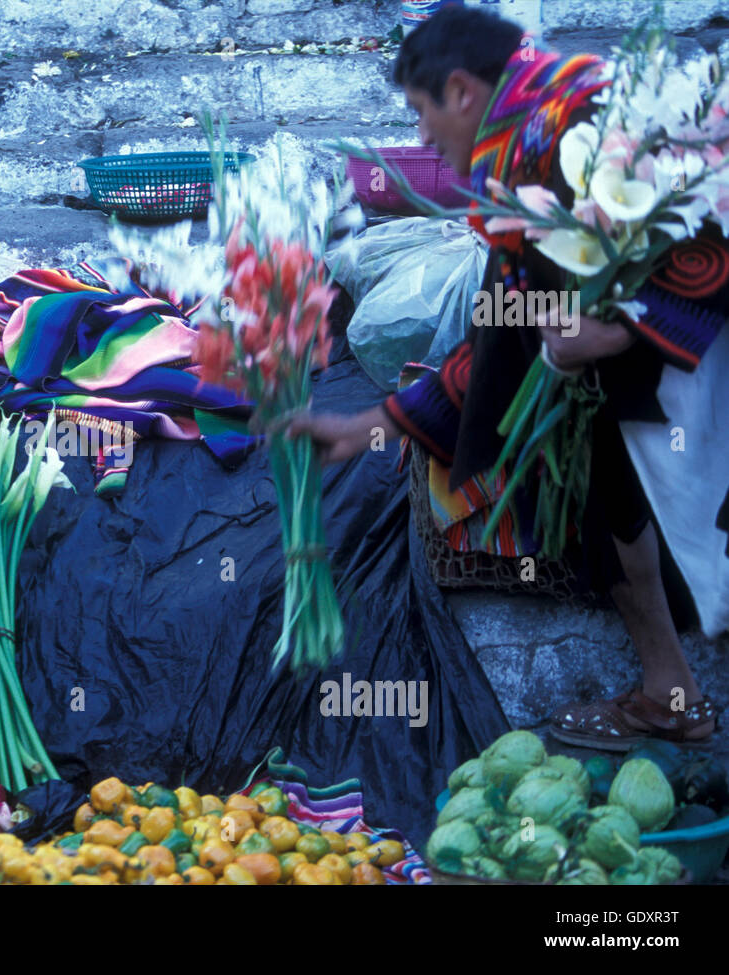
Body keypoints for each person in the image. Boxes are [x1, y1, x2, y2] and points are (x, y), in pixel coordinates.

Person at [290, 6, 724, 748]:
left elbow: (712, 229)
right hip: (629, 384)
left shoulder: (590, 120)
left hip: (699, 370)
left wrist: (618, 326)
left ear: (461, 91)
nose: (422, 137)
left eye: (422, 112)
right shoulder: (523, 154)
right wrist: (384, 422)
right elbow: (509, 320)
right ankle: (669, 693)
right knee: (602, 491)